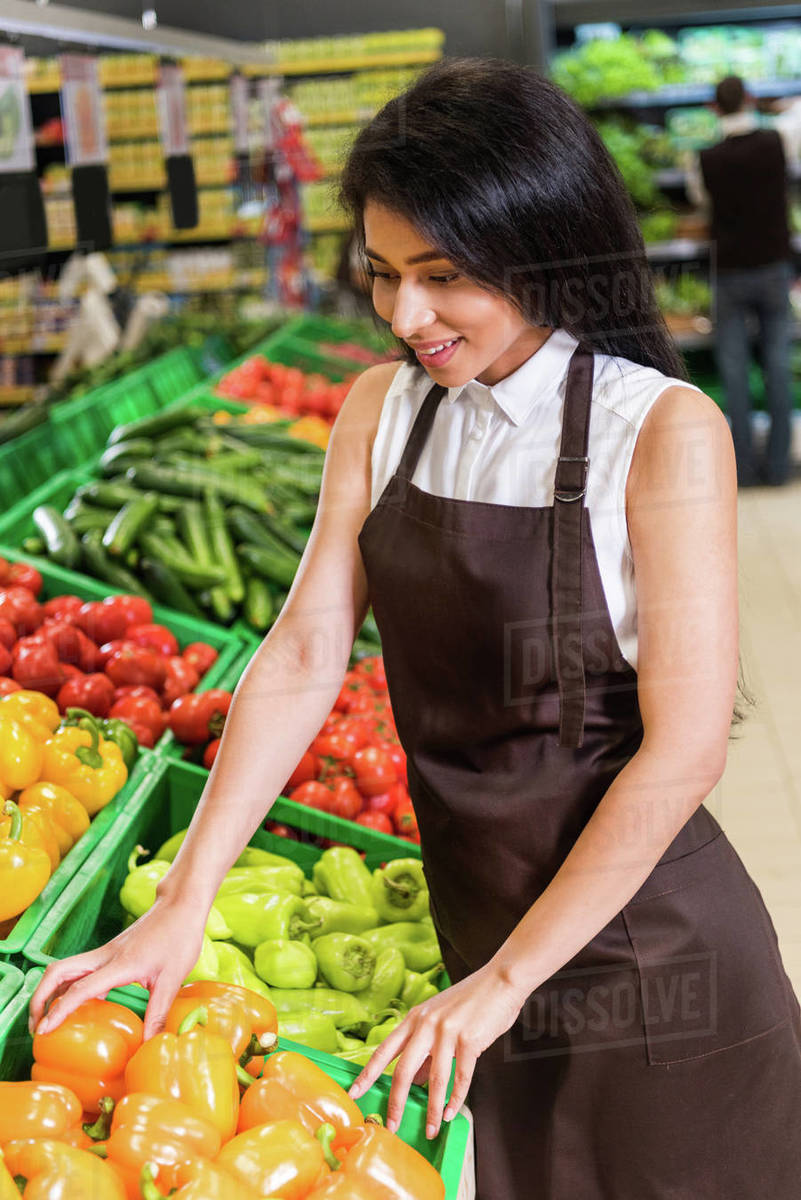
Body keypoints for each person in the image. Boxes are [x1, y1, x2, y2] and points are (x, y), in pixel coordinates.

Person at [31, 60, 801, 1199]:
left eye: (442, 278)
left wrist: (502, 985)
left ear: (543, 247)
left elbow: (683, 750)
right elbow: (301, 654)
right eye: (383, 276)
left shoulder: (664, 433)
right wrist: (186, 902)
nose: (404, 316)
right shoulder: (379, 413)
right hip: (473, 942)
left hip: (650, 963)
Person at [686, 74, 795, 488]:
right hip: (772, 267)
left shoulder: (706, 157)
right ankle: (780, 469)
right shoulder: (775, 142)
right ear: (749, 100)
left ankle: (743, 469)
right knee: (778, 368)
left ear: (714, 109)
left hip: (728, 271)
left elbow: (700, 199)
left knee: (734, 375)